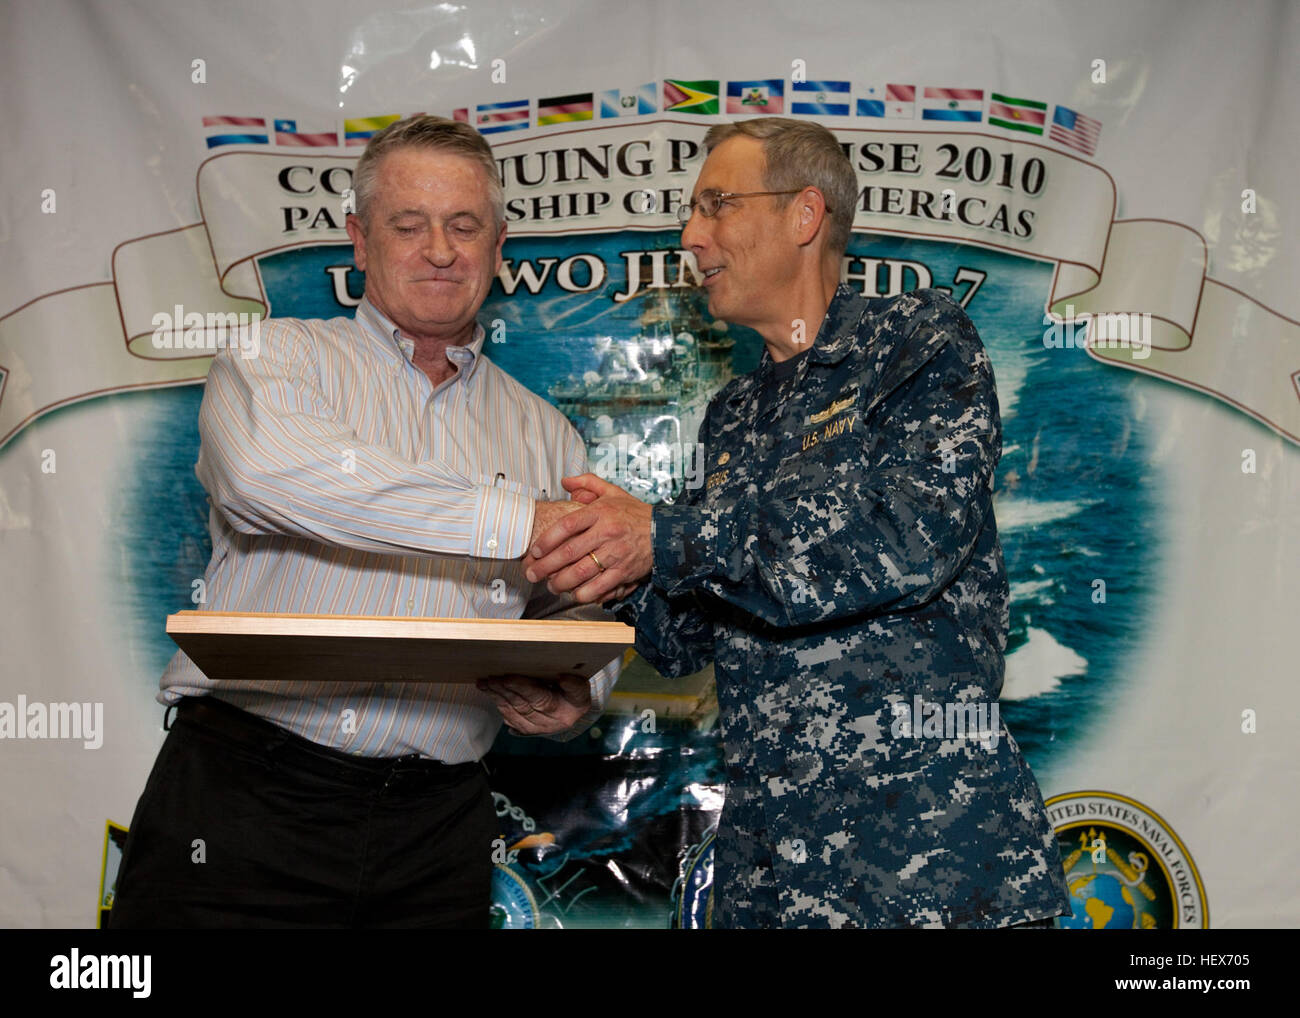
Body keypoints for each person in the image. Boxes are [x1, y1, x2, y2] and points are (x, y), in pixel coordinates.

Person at [525, 117, 1072, 928]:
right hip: (772, 875)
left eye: (717, 205)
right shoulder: (734, 416)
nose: (691, 234)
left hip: (932, 869)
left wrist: (666, 537)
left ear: (804, 214)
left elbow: (907, 539)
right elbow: (688, 640)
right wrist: (603, 561)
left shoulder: (916, 341)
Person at [109, 116, 618, 929]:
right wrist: (519, 520)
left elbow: (578, 599)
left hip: (439, 828)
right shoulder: (273, 360)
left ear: (499, 244)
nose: (440, 250)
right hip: (248, 802)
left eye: (464, 226)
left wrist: (583, 687)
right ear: (358, 238)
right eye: (408, 225)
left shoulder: (545, 433)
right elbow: (270, 475)